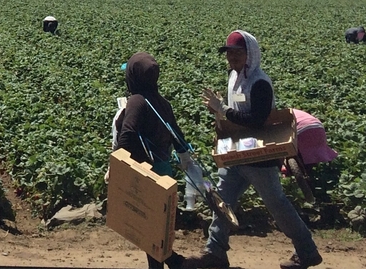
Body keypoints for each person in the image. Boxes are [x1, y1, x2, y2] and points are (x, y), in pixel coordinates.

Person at [189, 31, 321, 269]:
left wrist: (225, 110)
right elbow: (234, 113)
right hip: (235, 153)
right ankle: (215, 251)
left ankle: (307, 250)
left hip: (260, 157)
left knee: (277, 205)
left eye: (237, 53)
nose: (232, 57)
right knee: (222, 202)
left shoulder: (260, 83)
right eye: (229, 53)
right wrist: (218, 112)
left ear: (250, 54)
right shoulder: (233, 77)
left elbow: (258, 119)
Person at [114, 53, 189, 269]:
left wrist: (116, 167)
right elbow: (179, 138)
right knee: (156, 229)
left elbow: (127, 135)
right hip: (164, 172)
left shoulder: (137, 101)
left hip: (145, 173)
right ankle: (173, 260)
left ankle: (172, 261)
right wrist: (187, 161)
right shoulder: (163, 103)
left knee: (149, 231)